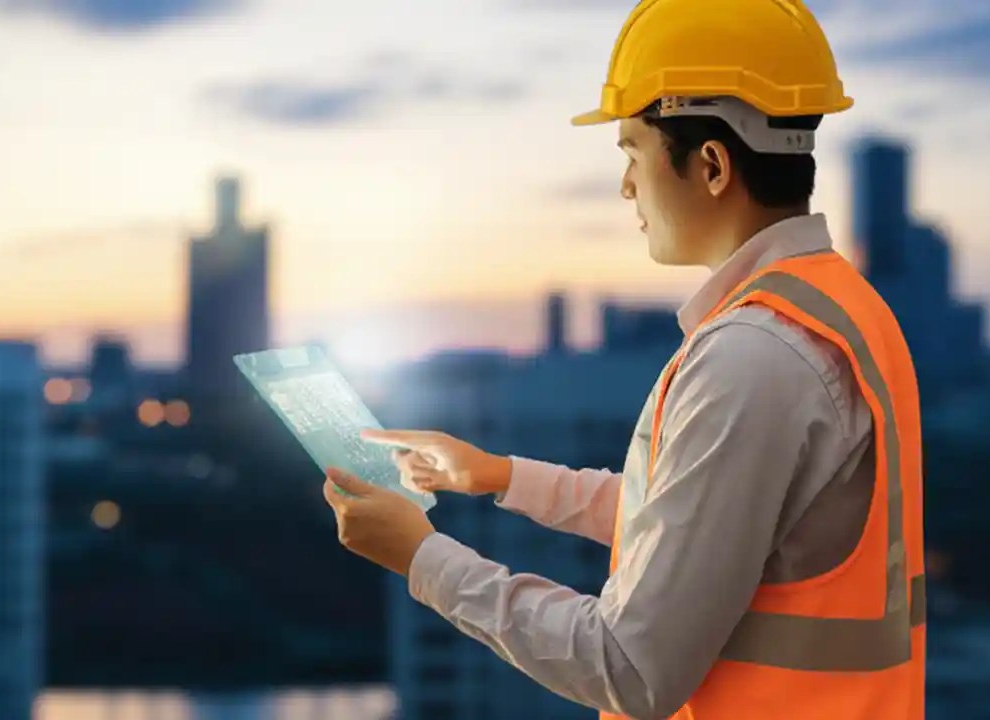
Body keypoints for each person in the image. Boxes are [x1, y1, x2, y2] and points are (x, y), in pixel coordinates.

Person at [321, 1, 926, 718]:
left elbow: (630, 668)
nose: (626, 186)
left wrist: (423, 559)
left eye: (633, 151)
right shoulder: (840, 309)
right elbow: (701, 525)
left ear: (710, 165)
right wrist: (498, 477)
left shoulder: (754, 358)